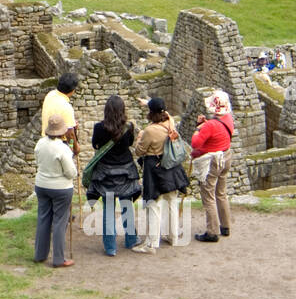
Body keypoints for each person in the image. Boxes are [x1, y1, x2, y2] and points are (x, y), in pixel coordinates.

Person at [131, 98, 189, 253]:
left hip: (155, 168)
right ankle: (173, 236)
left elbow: (139, 151)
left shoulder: (151, 131)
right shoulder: (170, 121)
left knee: (154, 204)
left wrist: (138, 139)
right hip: (171, 167)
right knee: (171, 201)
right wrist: (148, 102)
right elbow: (163, 110)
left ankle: (152, 243)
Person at [88, 95, 141, 256]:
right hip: (125, 171)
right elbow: (130, 143)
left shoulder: (99, 127)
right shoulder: (128, 127)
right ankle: (131, 239)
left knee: (108, 208)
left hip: (106, 173)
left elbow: (95, 144)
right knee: (127, 206)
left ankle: (110, 246)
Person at [33, 115, 78, 267]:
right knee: (60, 221)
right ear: (62, 131)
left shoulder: (40, 143)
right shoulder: (63, 149)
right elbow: (71, 173)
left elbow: (37, 161)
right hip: (60, 188)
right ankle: (58, 259)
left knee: (43, 218)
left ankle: (40, 255)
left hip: (42, 185)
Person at [191, 90, 234, 243]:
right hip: (226, 156)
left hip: (213, 161)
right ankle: (225, 225)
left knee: (208, 195)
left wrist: (198, 128)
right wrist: (206, 126)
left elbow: (195, 143)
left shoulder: (210, 125)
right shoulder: (228, 119)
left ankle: (212, 231)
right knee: (221, 193)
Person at [40, 72, 79, 152]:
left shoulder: (50, 94)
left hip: (45, 140)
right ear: (73, 90)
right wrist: (75, 148)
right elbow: (70, 134)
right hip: (60, 144)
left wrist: (71, 122)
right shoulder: (66, 107)